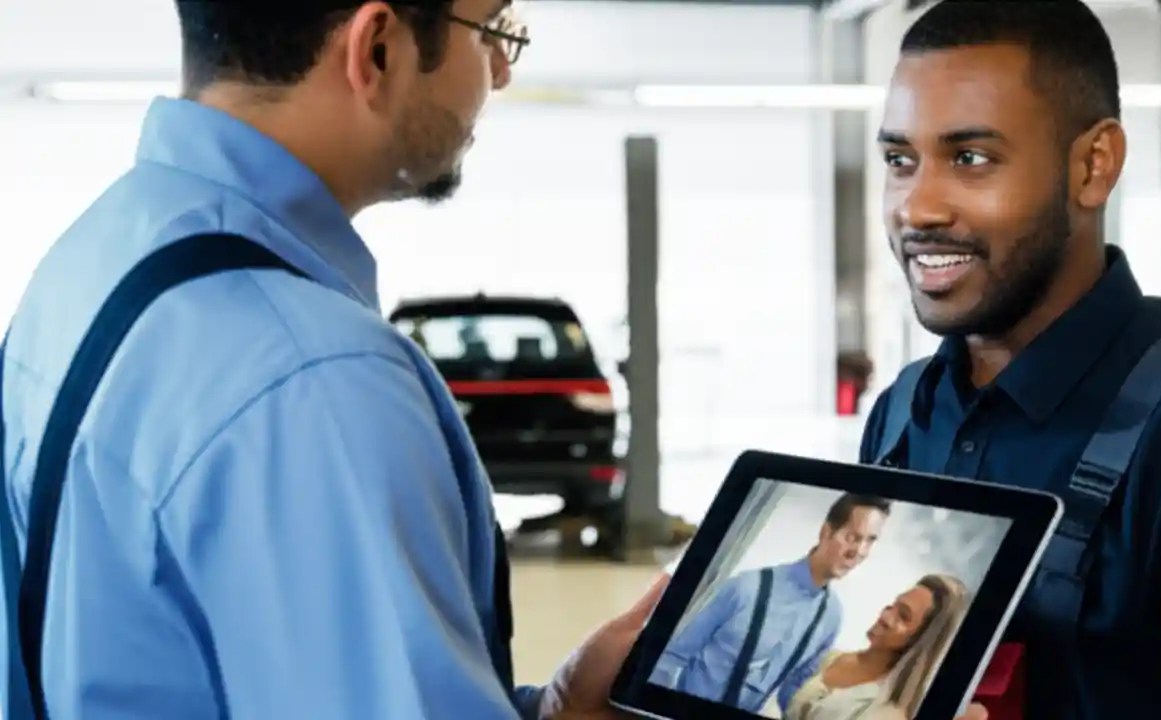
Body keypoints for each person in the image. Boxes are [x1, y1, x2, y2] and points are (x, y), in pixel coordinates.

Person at [0, 2, 664, 718]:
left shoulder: (92, 259)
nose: (500, 73)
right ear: (375, 48)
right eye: (494, 33)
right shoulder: (318, 377)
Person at [861, 0, 1161, 718]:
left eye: (971, 158)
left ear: (1093, 165)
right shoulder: (904, 411)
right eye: (901, 161)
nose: (917, 206)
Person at [651, 494, 891, 715]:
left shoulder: (831, 617)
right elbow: (672, 657)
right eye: (852, 537)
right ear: (826, 532)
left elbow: (793, 689)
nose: (859, 551)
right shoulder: (745, 588)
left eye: (869, 541)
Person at [787, 575, 970, 720]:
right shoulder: (831, 656)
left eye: (903, 617)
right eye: (893, 606)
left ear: (919, 641)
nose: (886, 616)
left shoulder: (885, 712)